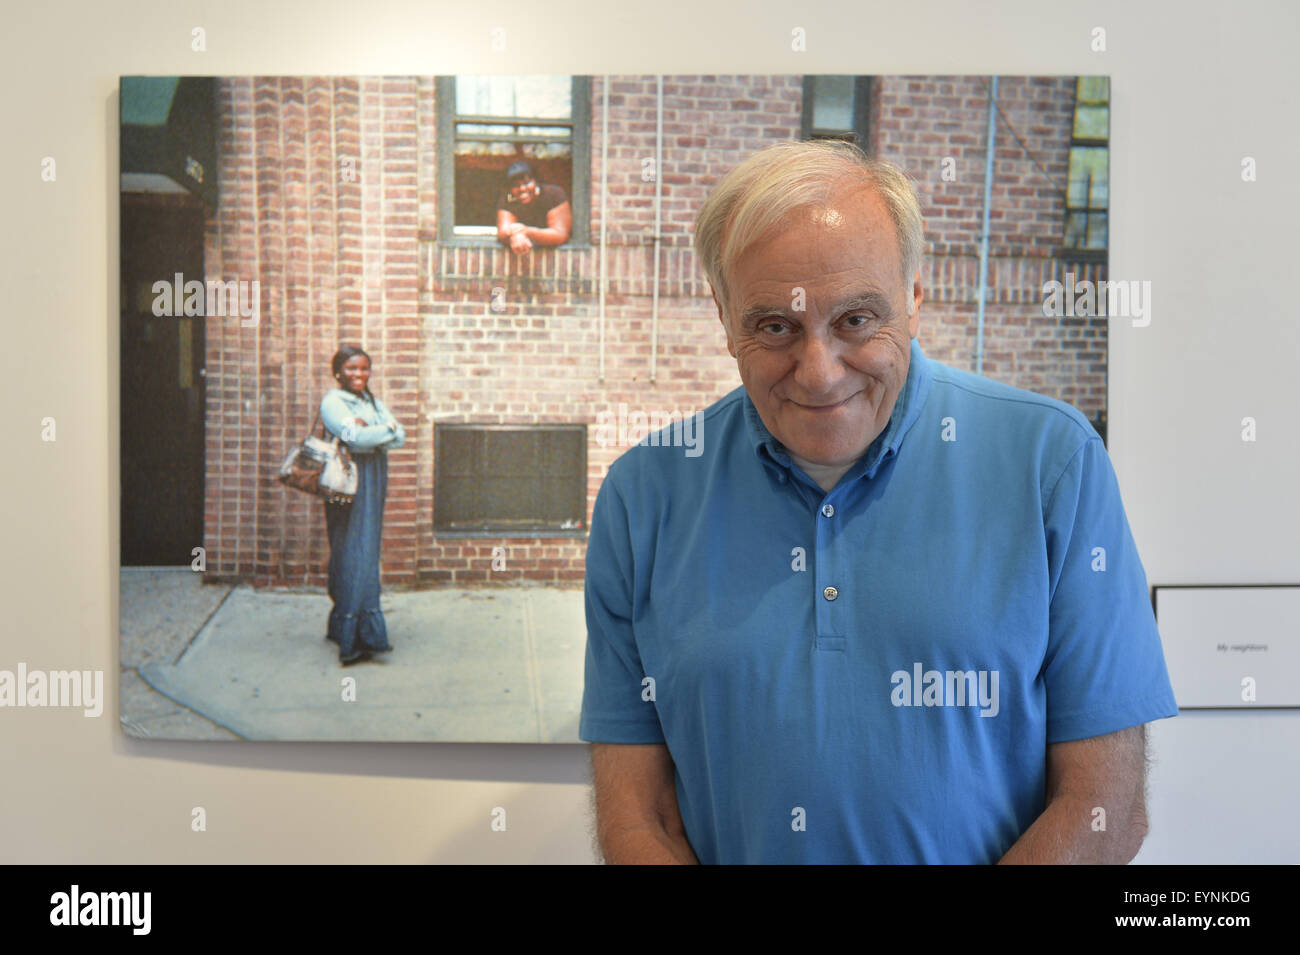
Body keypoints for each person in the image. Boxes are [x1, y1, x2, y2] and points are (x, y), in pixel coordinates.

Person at [579, 139, 1179, 864]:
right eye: (776, 326)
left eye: (856, 320)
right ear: (724, 315)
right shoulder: (643, 497)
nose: (820, 371)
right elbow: (638, 822)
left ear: (915, 296)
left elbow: (1103, 810)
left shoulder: (1052, 464)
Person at [319, 345, 405, 666]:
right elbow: (354, 439)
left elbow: (403, 437)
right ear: (338, 371)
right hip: (348, 478)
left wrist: (376, 431)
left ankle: (360, 630)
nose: (359, 374)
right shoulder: (333, 401)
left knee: (366, 548)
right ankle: (351, 636)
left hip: (375, 475)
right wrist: (384, 430)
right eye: (352, 369)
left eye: (364, 369)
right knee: (351, 547)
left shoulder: (372, 402)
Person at [496, 160, 572, 255]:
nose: (522, 189)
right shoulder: (508, 198)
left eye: (527, 183)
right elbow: (503, 232)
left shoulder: (553, 194)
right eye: (516, 185)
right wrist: (516, 235)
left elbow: (560, 235)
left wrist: (527, 232)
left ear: (536, 182)